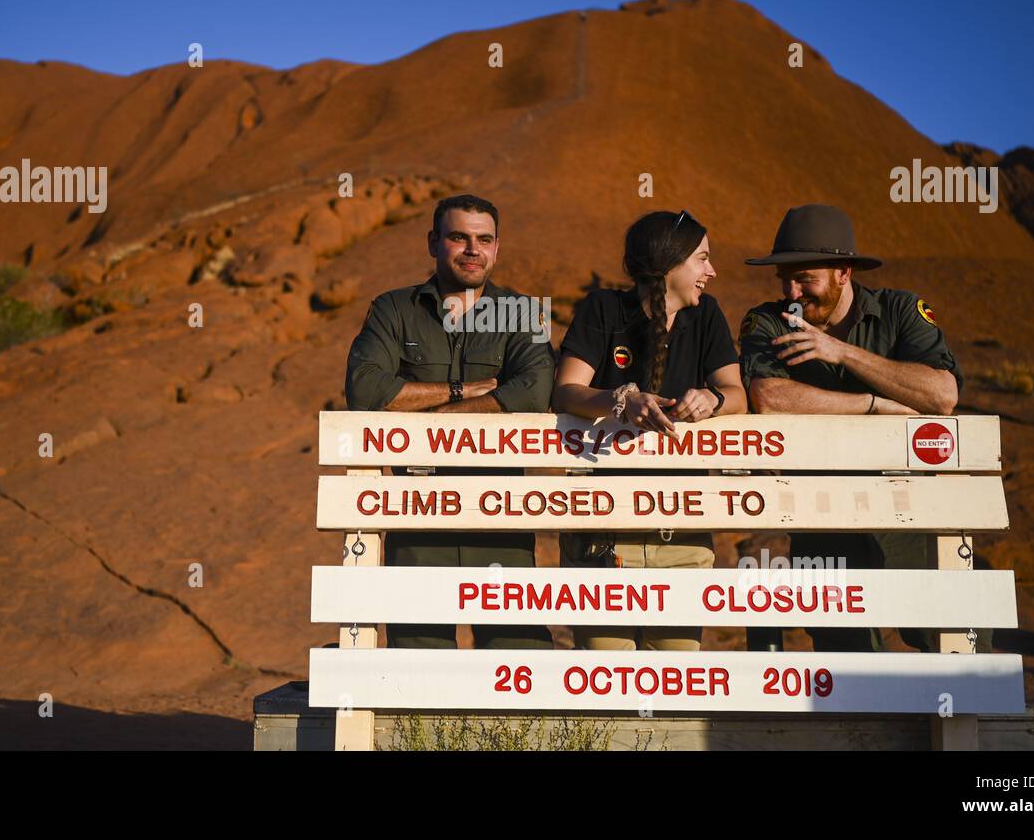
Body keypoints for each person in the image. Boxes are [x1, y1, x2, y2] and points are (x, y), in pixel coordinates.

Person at [738, 202, 990, 654]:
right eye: (785, 279)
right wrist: (872, 406)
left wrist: (843, 353)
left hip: (909, 511)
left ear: (843, 272)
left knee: (957, 640)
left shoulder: (901, 311)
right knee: (847, 662)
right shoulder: (769, 320)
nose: (792, 290)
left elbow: (941, 395)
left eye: (805, 278)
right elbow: (769, 397)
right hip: (822, 519)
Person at [344, 194, 554, 650]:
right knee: (418, 655)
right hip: (418, 514)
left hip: (500, 514)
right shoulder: (393, 309)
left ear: (497, 247)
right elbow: (365, 389)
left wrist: (430, 415)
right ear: (433, 243)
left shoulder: (523, 312)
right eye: (458, 237)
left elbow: (534, 394)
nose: (472, 249)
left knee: (518, 652)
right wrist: (465, 392)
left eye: (484, 239)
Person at [552, 209, 747, 651]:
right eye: (702, 259)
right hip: (603, 527)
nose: (711, 271)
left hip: (681, 531)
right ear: (669, 263)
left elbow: (737, 394)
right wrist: (620, 400)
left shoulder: (707, 316)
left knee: (675, 685)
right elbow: (566, 392)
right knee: (605, 681)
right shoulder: (604, 309)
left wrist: (713, 400)